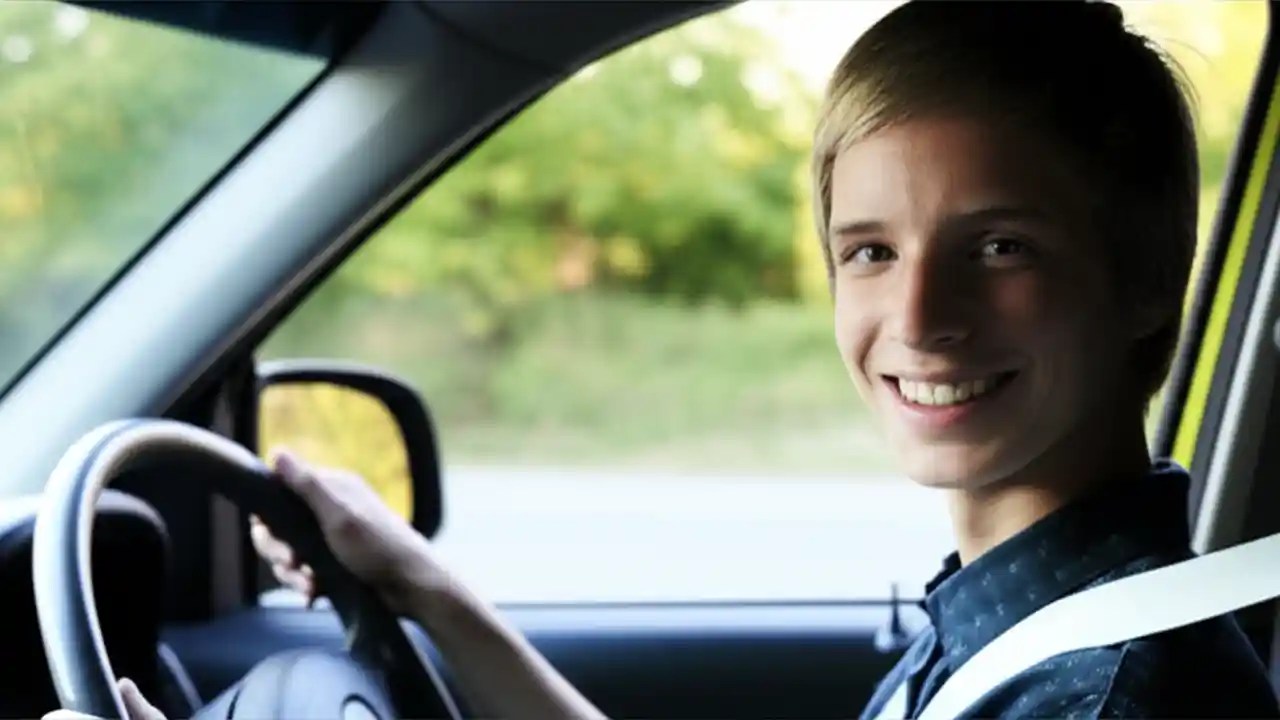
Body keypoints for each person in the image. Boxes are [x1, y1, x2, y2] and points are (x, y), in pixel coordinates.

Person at [46, 1, 1280, 718]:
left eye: (996, 246)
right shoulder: (1016, 616)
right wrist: (421, 585)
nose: (917, 316)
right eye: (865, 250)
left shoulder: (1105, 694)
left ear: (1138, 284)